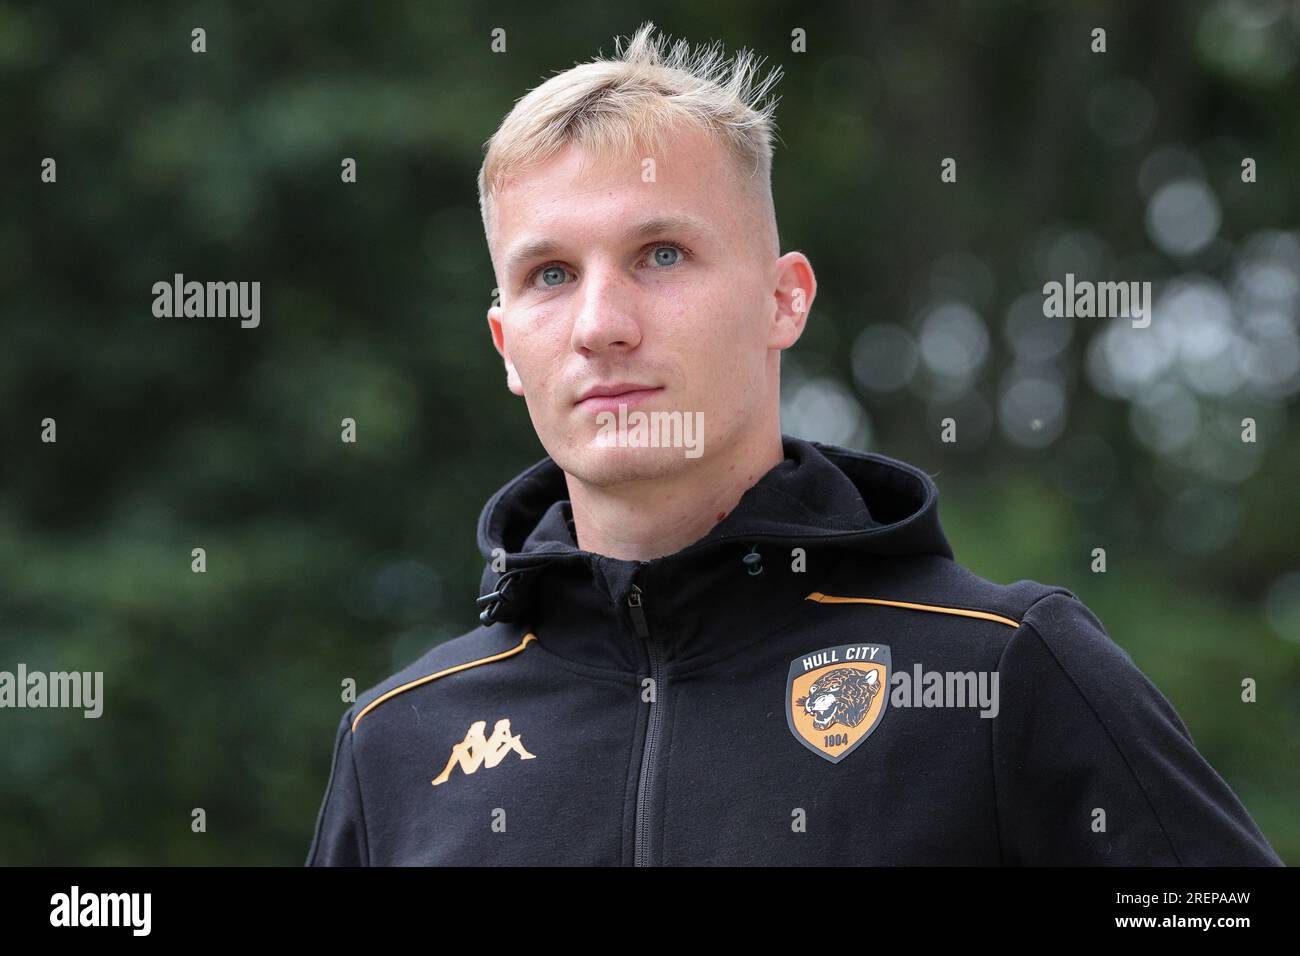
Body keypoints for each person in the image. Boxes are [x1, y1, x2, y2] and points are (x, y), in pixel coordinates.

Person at [306, 21, 1283, 866]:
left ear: (784, 299)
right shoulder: (397, 740)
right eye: (550, 274)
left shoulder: (1005, 669)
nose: (601, 321)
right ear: (505, 344)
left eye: (661, 254)